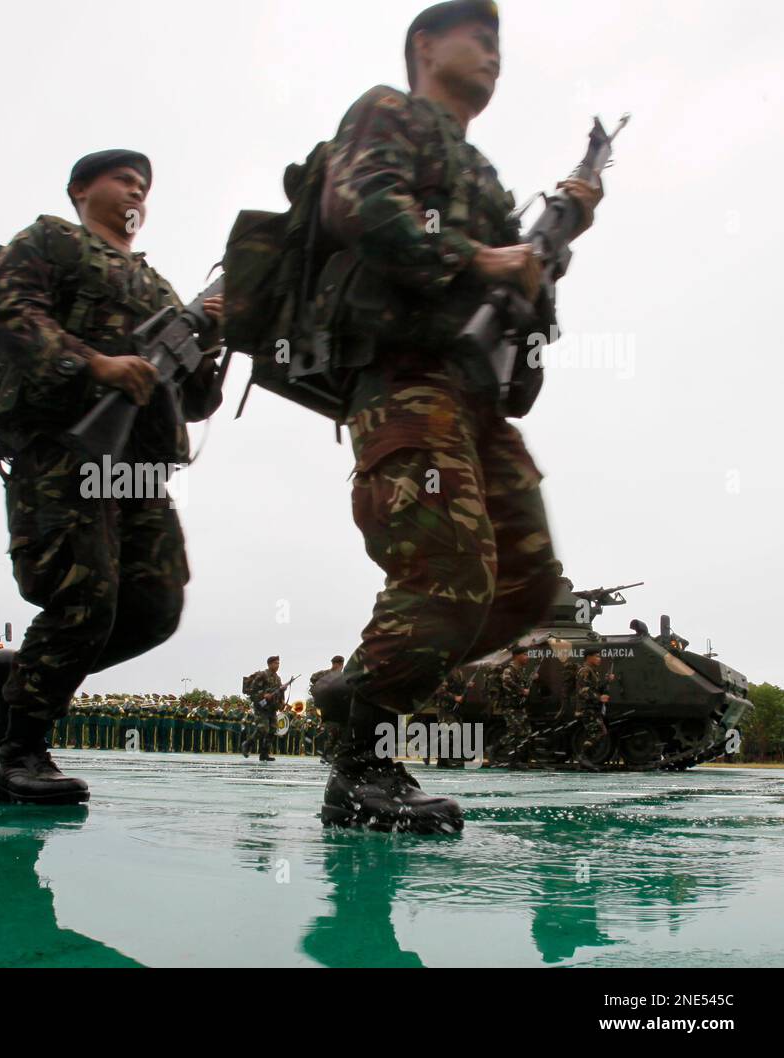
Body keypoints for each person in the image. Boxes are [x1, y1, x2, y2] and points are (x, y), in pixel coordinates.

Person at [312, 1, 604, 832]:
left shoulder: (480, 173)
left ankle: (357, 689)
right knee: (448, 574)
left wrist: (553, 245)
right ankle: (360, 773)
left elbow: (513, 290)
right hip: (407, 383)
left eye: (501, 44)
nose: (494, 55)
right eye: (479, 38)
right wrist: (484, 257)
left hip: (479, 399)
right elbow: (362, 209)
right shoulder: (388, 112)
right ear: (424, 46)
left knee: (526, 586)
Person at [0, 149, 224, 804]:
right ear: (81, 189)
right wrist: (97, 365)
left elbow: (195, 400)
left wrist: (211, 334)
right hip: (64, 448)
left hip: (136, 464)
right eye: (123, 176)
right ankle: (19, 752)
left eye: (146, 183)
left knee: (154, 606)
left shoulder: (157, 286)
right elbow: (3, 310)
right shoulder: (52, 240)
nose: (138, 186)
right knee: (86, 596)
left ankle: (20, 676)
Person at [243, 656, 285, 762]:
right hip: (261, 707)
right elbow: (252, 690)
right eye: (275, 663)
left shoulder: (277, 678)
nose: (277, 665)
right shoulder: (262, 675)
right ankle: (247, 744)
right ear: (269, 664)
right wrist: (264, 695)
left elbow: (279, 692)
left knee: (272, 730)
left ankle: (264, 754)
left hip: (272, 708)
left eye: (278, 663)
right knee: (263, 729)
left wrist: (282, 701)